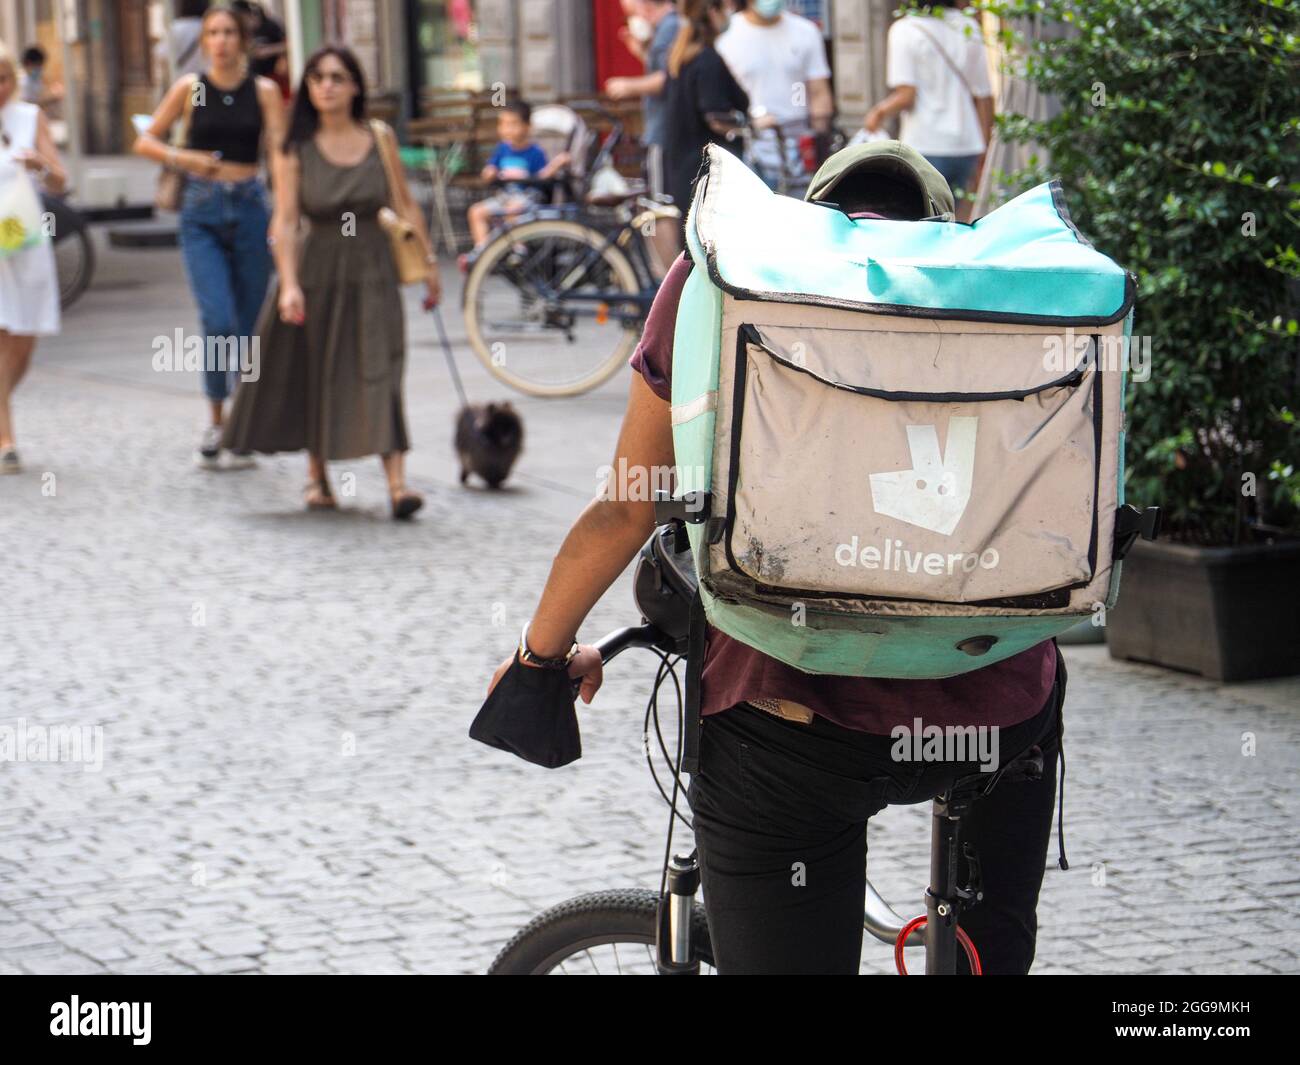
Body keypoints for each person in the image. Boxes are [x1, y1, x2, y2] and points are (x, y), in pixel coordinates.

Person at [485, 141, 1065, 975]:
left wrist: (540, 656)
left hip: (789, 720)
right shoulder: (1005, 300)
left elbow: (627, 504)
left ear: (814, 217)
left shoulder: (719, 281)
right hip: (994, 708)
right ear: (945, 233)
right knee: (988, 948)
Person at [220, 46, 441, 520]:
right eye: (318, 78)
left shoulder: (379, 138)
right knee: (317, 369)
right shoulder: (294, 148)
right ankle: (316, 478)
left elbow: (406, 205)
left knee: (382, 368)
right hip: (316, 266)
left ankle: (398, 485)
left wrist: (429, 265)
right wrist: (290, 284)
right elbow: (283, 220)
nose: (327, 86)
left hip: (373, 266)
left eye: (338, 77)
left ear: (356, 86)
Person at [134, 4, 285, 470]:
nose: (220, 41)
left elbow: (278, 154)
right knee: (217, 318)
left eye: (228, 33)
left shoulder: (263, 92)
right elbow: (145, 140)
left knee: (248, 322)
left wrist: (283, 212)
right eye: (212, 33)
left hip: (251, 207)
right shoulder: (190, 88)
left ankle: (242, 422)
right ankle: (217, 419)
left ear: (243, 41)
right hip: (200, 210)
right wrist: (185, 160)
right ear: (203, 42)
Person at [0, 41, 66, 475]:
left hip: (23, 238)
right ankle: (6, 438)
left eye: (2, 78)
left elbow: (60, 180)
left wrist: (38, 163)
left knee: (24, 344)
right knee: (3, 334)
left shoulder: (29, 117)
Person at [865, 0, 994, 220]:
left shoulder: (905, 30)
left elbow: (906, 95)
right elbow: (984, 95)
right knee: (959, 223)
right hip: (967, 145)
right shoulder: (967, 26)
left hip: (924, 144)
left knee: (925, 223)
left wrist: (878, 113)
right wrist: (986, 145)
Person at [715, 0, 833, 190]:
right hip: (749, 149)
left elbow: (819, 93)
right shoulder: (726, 36)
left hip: (798, 152)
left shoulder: (806, 32)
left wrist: (819, 144)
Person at [605, 0, 682, 267]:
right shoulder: (666, 28)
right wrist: (640, 50)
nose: (633, 18)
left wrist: (628, 85)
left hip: (663, 133)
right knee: (656, 205)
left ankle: (669, 280)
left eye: (633, 11)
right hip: (660, 132)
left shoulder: (670, 26)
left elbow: (668, 78)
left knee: (660, 208)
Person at [660, 0, 750, 221]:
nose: (730, 12)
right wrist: (750, 126)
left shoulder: (681, 57)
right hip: (709, 177)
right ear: (712, 12)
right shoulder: (706, 59)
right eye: (725, 7)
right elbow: (715, 116)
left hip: (685, 171)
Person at [465, 99, 570, 254]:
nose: (506, 129)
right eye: (502, 124)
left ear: (527, 127)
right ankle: (483, 250)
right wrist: (489, 173)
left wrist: (555, 165)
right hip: (504, 196)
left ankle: (518, 249)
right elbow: (488, 172)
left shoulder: (535, 152)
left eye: (512, 124)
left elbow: (542, 177)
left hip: (527, 198)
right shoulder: (501, 149)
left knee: (512, 210)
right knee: (475, 211)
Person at [230, 1, 289, 96]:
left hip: (272, 74)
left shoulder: (271, 26)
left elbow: (288, 45)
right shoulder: (240, 31)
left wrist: (269, 51)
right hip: (251, 75)